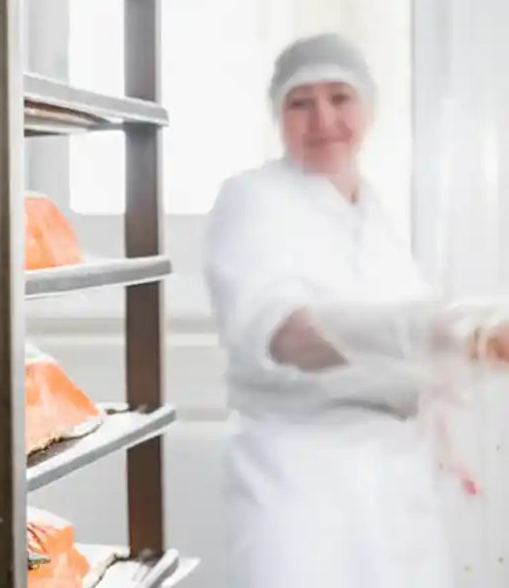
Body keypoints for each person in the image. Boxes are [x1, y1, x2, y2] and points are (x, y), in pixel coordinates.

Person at [204, 33, 509, 588]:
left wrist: (468, 352)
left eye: (340, 97)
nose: (322, 118)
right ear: (278, 114)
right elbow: (284, 335)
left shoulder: (378, 216)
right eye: (301, 102)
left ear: (368, 108)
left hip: (397, 477)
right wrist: (448, 331)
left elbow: (413, 345)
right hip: (297, 478)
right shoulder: (252, 199)